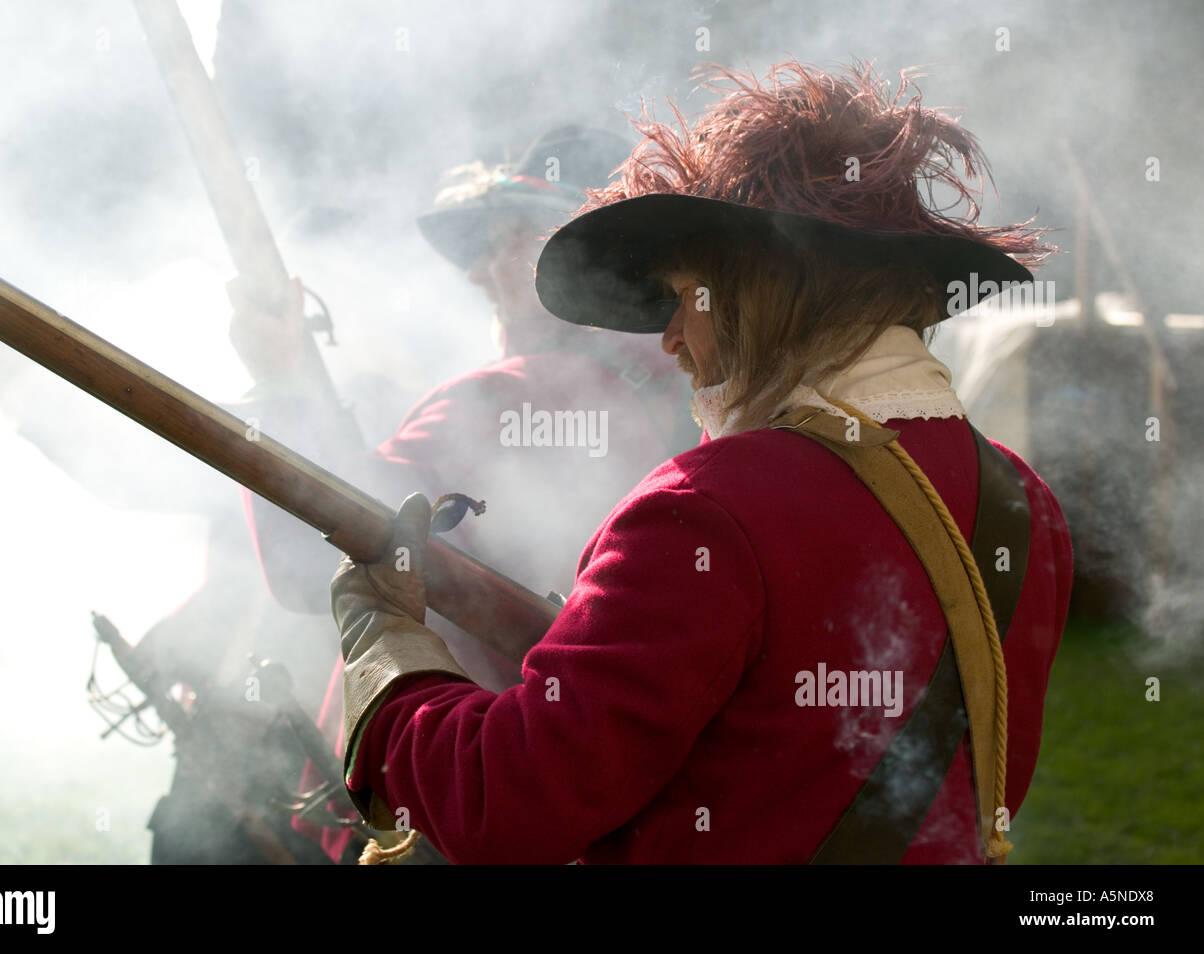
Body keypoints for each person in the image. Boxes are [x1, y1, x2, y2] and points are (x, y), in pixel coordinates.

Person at [328, 61, 1074, 864]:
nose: (672, 338)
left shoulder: (705, 510)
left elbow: (505, 801)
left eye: (687, 296)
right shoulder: (1025, 502)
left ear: (765, 287)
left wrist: (385, 644)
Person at [233, 125, 696, 863]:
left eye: (505, 240)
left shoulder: (505, 399)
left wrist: (282, 382)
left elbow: (301, 564)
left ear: (576, 256)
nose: (479, 272)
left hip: (449, 805)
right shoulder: (689, 395)